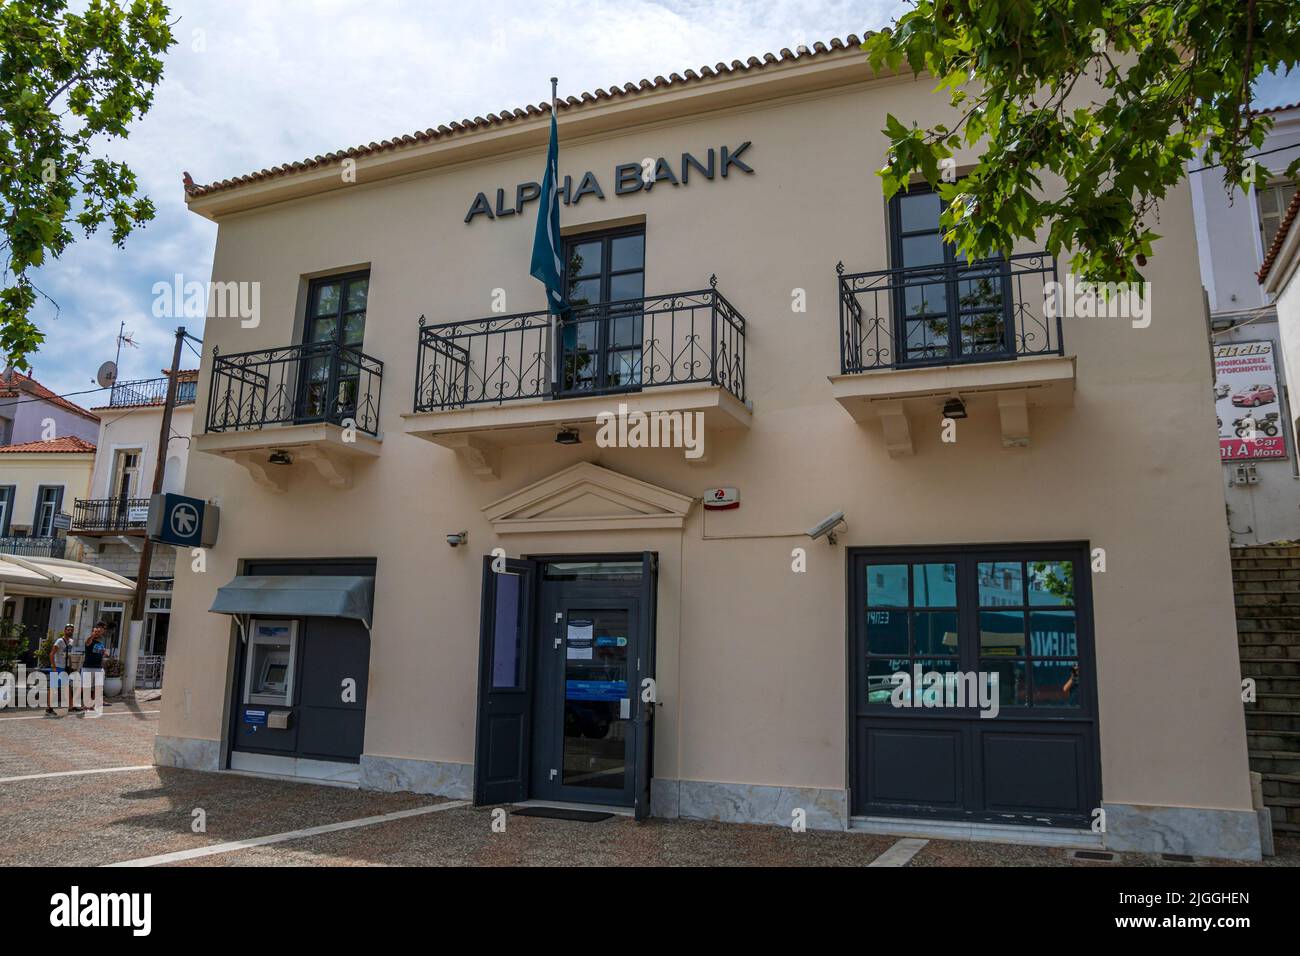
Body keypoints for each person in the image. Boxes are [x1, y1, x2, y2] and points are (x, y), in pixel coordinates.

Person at [46, 625, 80, 716]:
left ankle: (71, 706)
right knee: (53, 688)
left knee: (67, 687)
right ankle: (49, 708)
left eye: (71, 630)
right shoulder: (60, 641)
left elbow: (68, 655)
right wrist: (53, 667)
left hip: (65, 668)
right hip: (57, 667)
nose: (70, 631)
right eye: (68, 630)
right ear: (64, 631)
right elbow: (51, 654)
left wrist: (70, 666)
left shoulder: (71, 641)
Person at [81, 622, 109, 711]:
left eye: (99, 632)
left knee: (98, 687)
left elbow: (104, 652)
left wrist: (105, 652)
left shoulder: (100, 642)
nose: (98, 633)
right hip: (88, 667)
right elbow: (87, 642)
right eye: (96, 632)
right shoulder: (90, 640)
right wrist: (92, 635)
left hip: (98, 668)